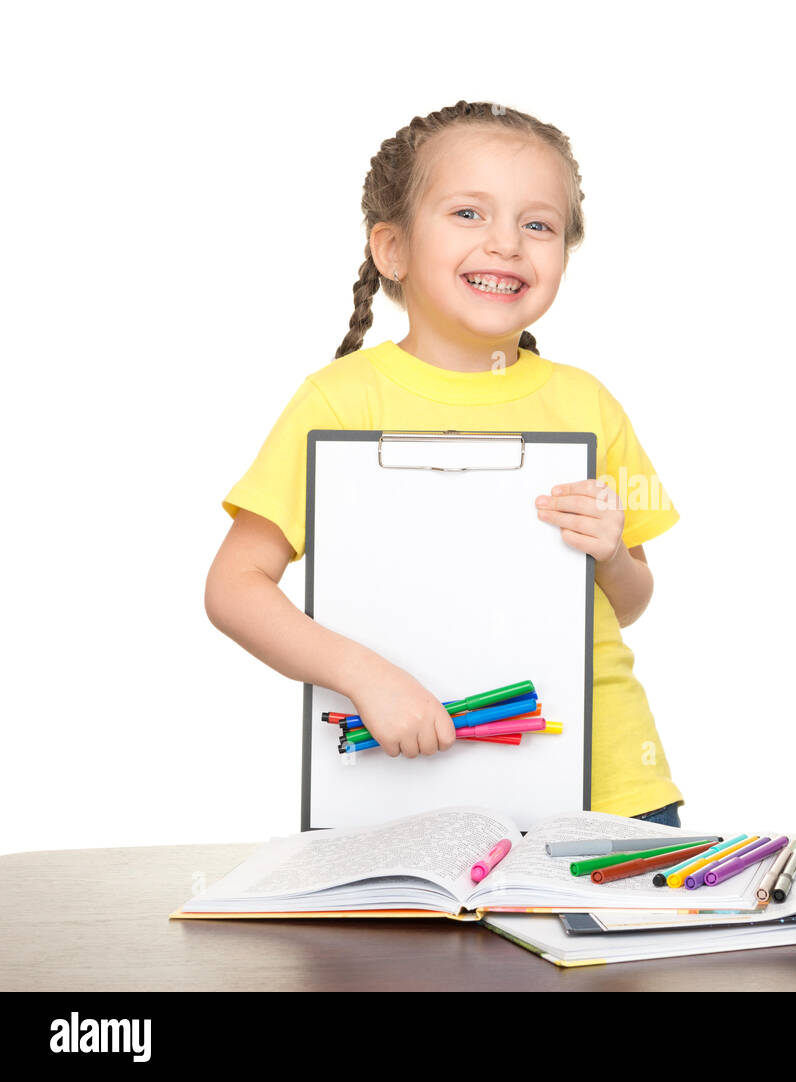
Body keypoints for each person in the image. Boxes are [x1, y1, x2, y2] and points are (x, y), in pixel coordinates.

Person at [204, 101, 683, 827]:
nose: (508, 244)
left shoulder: (588, 403)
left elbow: (632, 600)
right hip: (398, 788)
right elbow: (234, 589)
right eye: (468, 213)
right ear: (391, 249)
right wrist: (366, 678)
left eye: (538, 224)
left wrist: (612, 554)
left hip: (610, 788)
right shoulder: (339, 402)